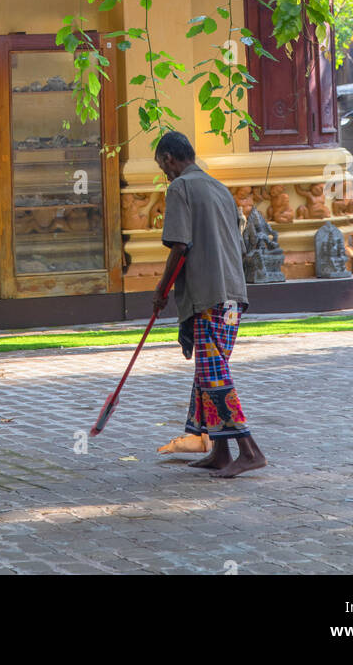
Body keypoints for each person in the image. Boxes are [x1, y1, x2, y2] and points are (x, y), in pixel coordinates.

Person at [153, 131, 266, 479]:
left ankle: (249, 450)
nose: (164, 174)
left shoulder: (180, 188)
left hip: (208, 296)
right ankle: (220, 450)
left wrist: (161, 289)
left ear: (171, 159)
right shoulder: (220, 188)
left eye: (162, 166)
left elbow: (180, 245)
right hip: (234, 295)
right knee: (209, 369)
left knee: (214, 372)